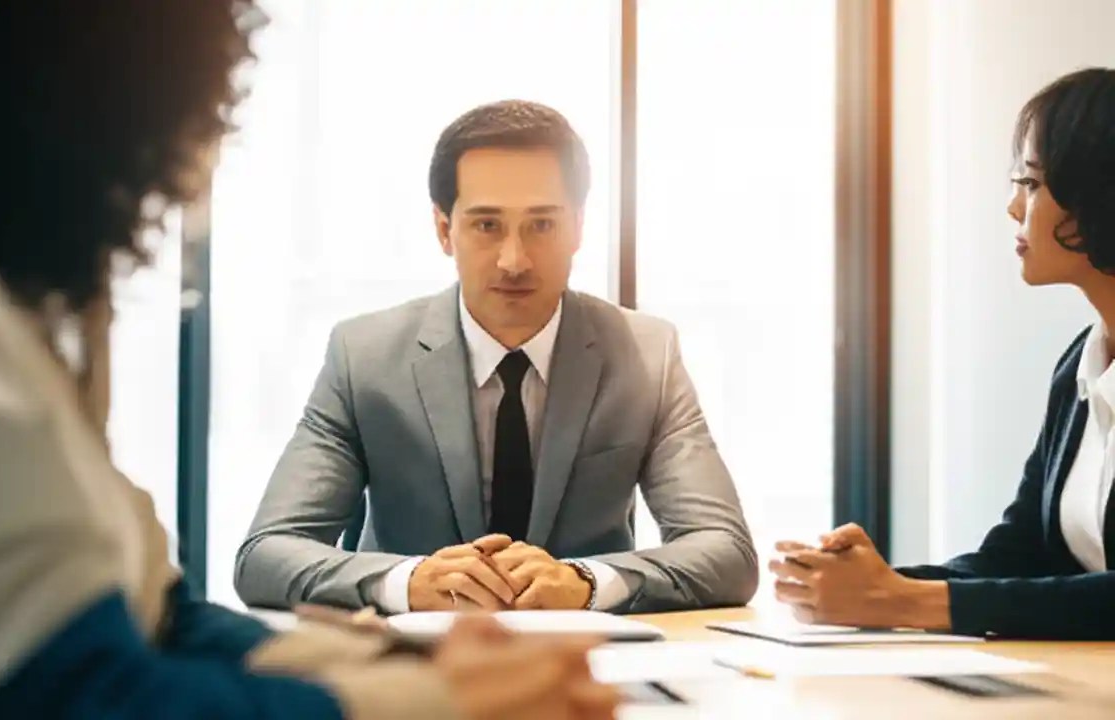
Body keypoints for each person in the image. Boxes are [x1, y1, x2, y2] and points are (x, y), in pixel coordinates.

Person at [0, 4, 619, 719]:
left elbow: (165, 617)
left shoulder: (2, 305)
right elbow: (83, 696)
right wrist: (424, 695)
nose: (191, 171)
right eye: (195, 117)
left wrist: (393, 654)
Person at [236, 100, 757, 615]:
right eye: (487, 225)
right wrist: (406, 582)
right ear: (445, 229)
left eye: (542, 225)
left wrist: (587, 582)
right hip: (411, 670)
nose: (515, 260)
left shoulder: (648, 355)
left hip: (587, 665)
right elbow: (267, 553)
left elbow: (726, 552)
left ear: (577, 227)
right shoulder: (363, 357)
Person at [771, 67, 1115, 641]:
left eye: (1030, 184)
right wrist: (871, 584)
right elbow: (1020, 552)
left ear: (1098, 192)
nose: (1013, 208)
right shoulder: (1079, 364)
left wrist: (901, 601)